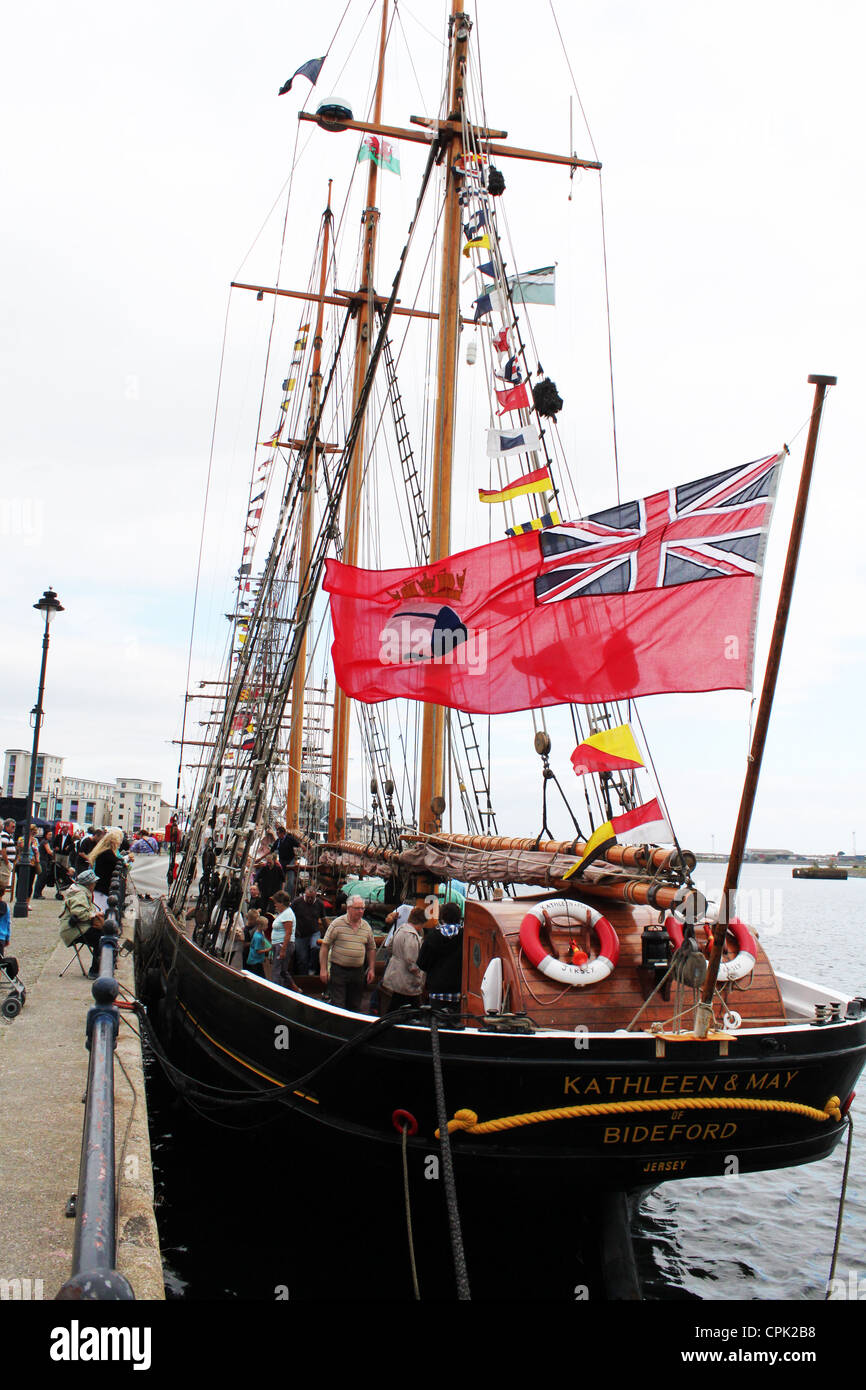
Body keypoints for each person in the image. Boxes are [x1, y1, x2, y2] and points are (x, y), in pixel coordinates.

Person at [319, 894, 376, 1012]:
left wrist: (371, 969)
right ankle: (338, 1028)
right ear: (348, 908)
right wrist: (323, 969)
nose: (360, 911)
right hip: (339, 970)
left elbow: (371, 948)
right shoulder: (337, 924)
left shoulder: (366, 927)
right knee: (338, 1004)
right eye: (357, 908)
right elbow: (325, 946)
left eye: (362, 908)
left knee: (355, 1005)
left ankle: (351, 1029)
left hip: (358, 971)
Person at [59, 868, 106, 977]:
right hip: (73, 929)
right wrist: (94, 915)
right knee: (102, 939)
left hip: (77, 927)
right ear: (89, 884)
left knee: (101, 936)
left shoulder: (81, 892)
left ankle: (99, 968)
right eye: (94, 882)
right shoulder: (80, 894)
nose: (95, 884)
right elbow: (79, 913)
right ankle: (95, 971)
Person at [417, 901, 464, 1010]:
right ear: (459, 918)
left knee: (436, 1021)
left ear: (442, 917)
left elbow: (422, 963)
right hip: (459, 991)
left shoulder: (432, 936)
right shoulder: (465, 936)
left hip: (437, 990)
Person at [382, 906, 426, 1011]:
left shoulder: (400, 929)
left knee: (394, 1006)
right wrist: (420, 977)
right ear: (421, 922)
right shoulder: (411, 935)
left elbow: (390, 948)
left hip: (395, 976)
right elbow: (412, 960)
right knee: (410, 1009)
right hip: (405, 981)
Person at [290, 883, 326, 975]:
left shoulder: (319, 904)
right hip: (300, 934)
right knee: (302, 958)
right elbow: (290, 916)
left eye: (312, 897)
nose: (310, 899)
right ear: (305, 895)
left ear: (315, 896)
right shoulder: (297, 902)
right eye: (308, 897)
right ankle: (303, 976)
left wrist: (327, 931)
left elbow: (323, 919)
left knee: (315, 947)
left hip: (314, 932)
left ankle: (312, 969)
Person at [269, 891, 296, 986]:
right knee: (282, 970)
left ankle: (277, 989)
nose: (275, 905)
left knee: (278, 970)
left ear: (281, 903)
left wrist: (283, 950)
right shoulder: (283, 913)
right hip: (279, 944)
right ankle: (294, 989)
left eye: (276, 902)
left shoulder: (287, 914)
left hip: (283, 945)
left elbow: (288, 932)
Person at [272, 825, 301, 898]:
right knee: (280, 879)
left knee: (290, 881)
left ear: (282, 833)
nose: (277, 835)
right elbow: (271, 850)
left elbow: (299, 845)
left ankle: (289, 897)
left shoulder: (289, 839)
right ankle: (279, 895)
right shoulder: (278, 841)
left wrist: (304, 849)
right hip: (282, 861)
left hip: (291, 861)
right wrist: (260, 859)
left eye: (278, 833)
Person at [245, 911, 273, 979]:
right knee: (259, 976)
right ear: (260, 926)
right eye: (266, 925)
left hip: (258, 960)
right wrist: (268, 949)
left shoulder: (260, 934)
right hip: (255, 960)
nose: (267, 927)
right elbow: (258, 951)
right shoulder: (258, 937)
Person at [0, 820, 17, 899]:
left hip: (6, 862)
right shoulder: (5, 835)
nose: (14, 828)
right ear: (6, 827)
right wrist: (7, 863)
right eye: (12, 826)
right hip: (4, 863)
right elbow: (3, 850)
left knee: (3, 884)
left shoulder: (8, 836)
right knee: (2, 884)